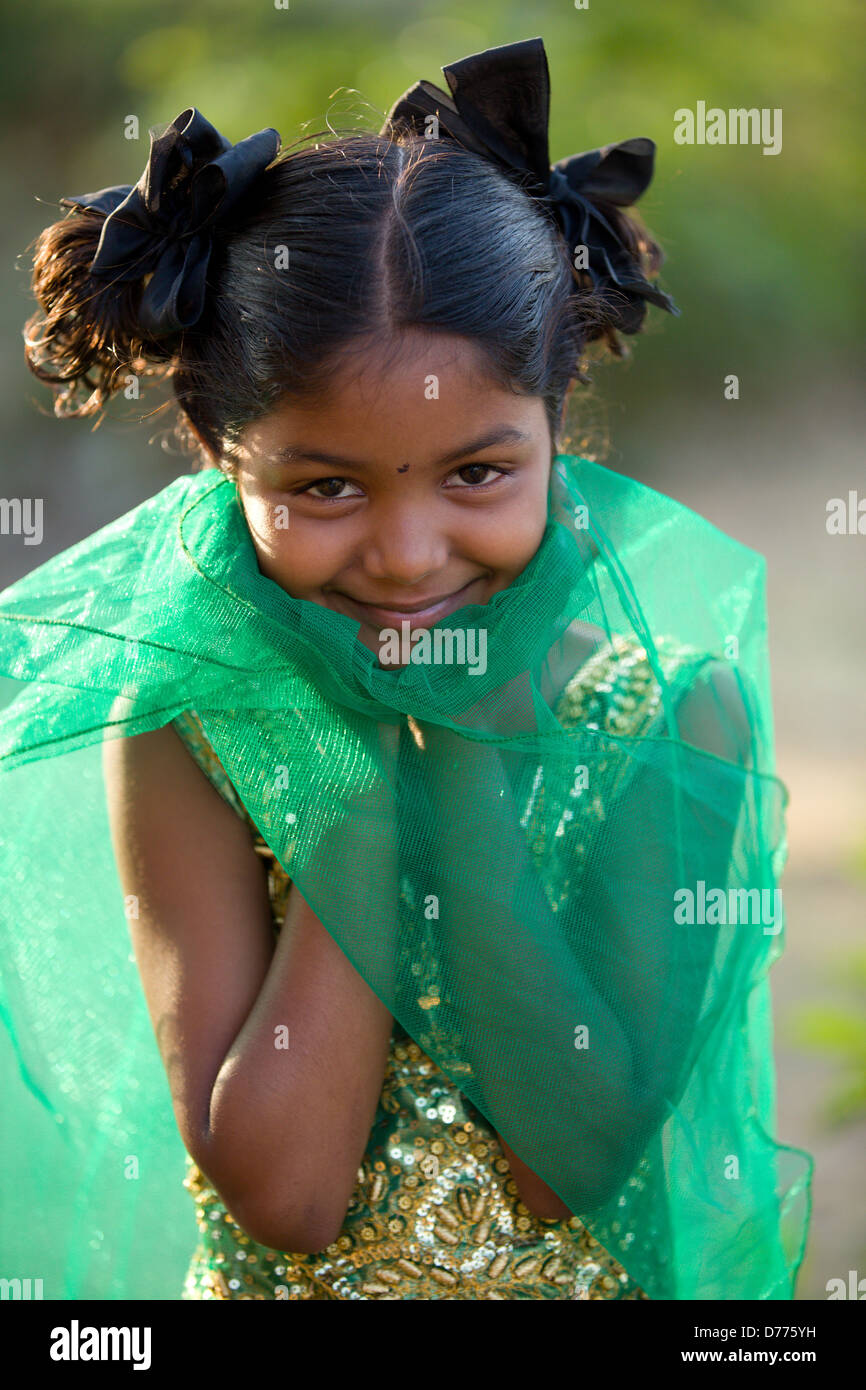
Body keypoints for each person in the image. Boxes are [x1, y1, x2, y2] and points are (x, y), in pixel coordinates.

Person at [0, 37, 812, 1301]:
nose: (403, 554)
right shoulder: (180, 733)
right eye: (323, 486)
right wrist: (355, 783)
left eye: (477, 474)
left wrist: (470, 747)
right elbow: (285, 1194)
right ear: (224, 454)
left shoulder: (671, 715)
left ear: (557, 422)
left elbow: (571, 1160)